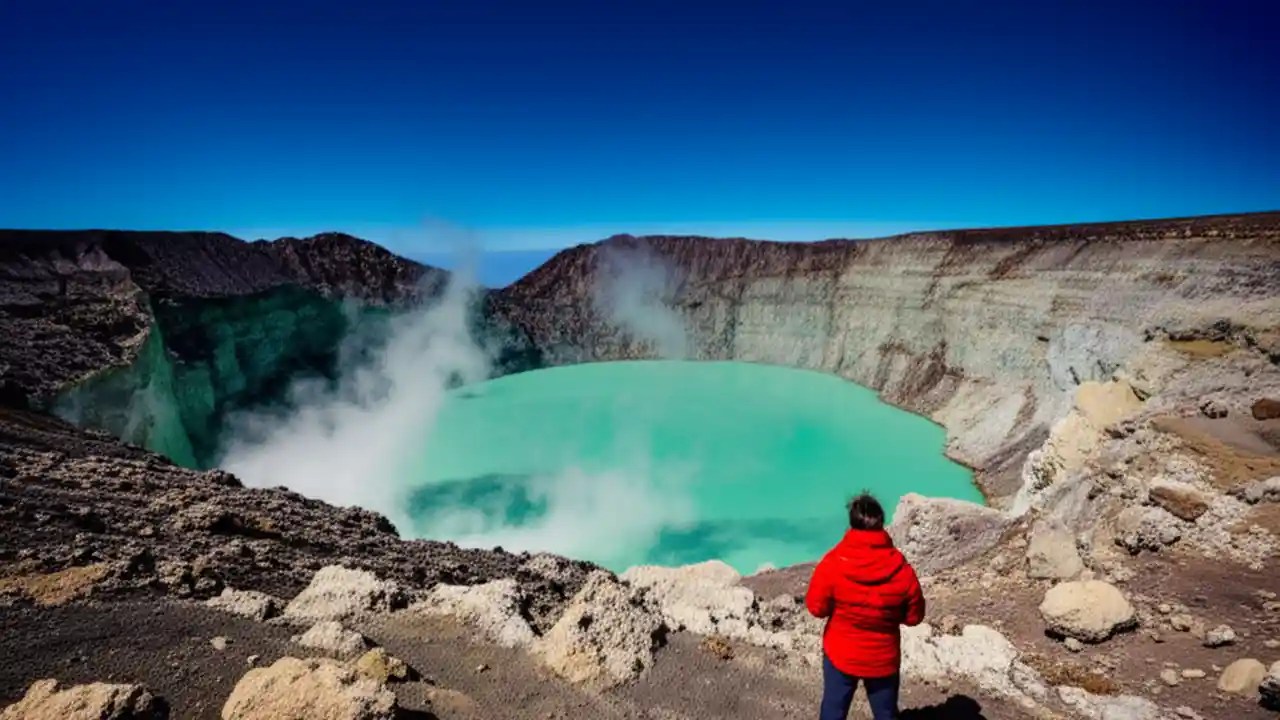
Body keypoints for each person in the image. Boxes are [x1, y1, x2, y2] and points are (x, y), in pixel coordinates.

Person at [805, 491, 926, 720]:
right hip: (883, 658)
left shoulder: (832, 564)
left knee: (833, 710)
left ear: (852, 522)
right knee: (886, 713)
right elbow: (914, 617)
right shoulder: (902, 571)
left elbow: (816, 608)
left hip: (841, 653)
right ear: (882, 524)